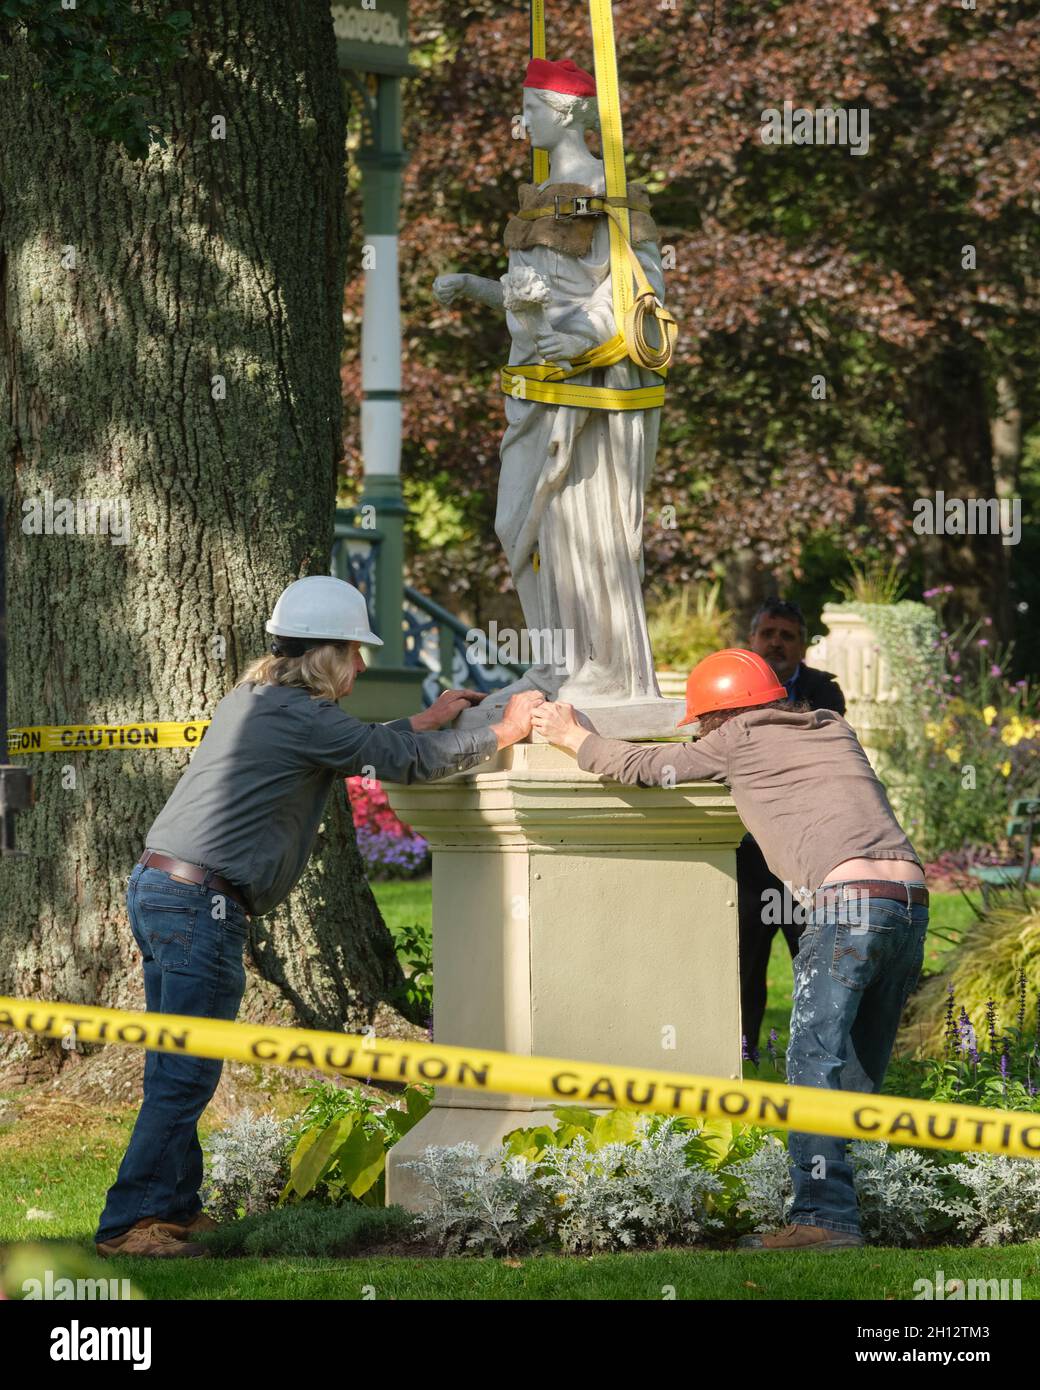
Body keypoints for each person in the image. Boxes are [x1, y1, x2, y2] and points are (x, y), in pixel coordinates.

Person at [94, 576, 543, 1259]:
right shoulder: (299, 714)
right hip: (199, 905)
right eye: (354, 654)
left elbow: (356, 745)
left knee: (177, 1064)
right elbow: (399, 763)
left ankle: (173, 1209)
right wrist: (504, 732)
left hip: (166, 890)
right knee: (184, 1073)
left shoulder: (259, 699)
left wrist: (418, 723)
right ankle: (130, 1224)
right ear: (325, 655)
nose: (361, 667)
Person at [531, 648, 927, 1251]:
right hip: (909, 897)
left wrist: (572, 735)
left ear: (719, 716)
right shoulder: (831, 726)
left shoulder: (737, 735)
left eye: (703, 723)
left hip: (846, 901)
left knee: (811, 1058)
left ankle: (826, 1221)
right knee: (855, 1063)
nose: (702, 733)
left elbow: (644, 764)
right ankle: (859, 1202)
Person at [739, 598, 846, 1057]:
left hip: (805, 856)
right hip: (748, 851)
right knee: (744, 964)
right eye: (769, 634)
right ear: (752, 641)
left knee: (813, 960)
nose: (777, 643)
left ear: (802, 645)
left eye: (787, 635)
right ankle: (744, 1056)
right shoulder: (732, 685)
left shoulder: (826, 693)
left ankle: (815, 1057)